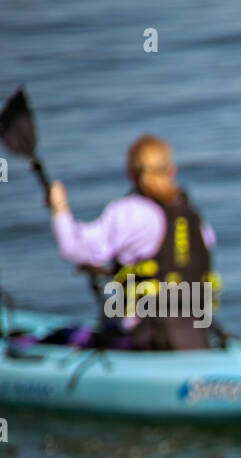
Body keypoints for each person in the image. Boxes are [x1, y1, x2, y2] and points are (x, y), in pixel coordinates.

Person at [46, 135, 218, 349]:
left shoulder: (130, 212)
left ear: (130, 174)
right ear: (171, 170)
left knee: (65, 336)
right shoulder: (196, 221)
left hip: (142, 340)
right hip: (194, 338)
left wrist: (59, 207)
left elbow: (72, 246)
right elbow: (172, 264)